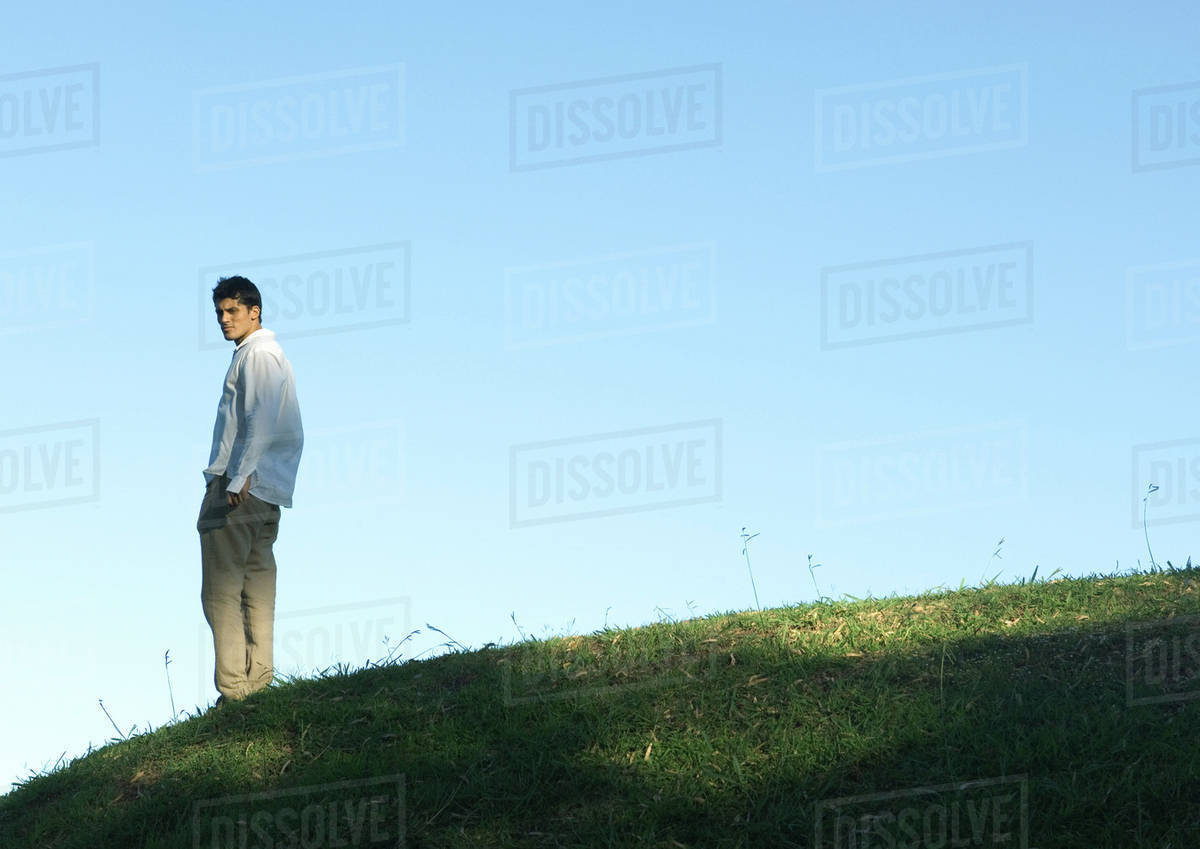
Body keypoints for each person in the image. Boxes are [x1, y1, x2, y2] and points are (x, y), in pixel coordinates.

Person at [198, 275, 303, 704]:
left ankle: (235, 692)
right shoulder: (273, 355)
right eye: (220, 312)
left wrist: (236, 479)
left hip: (239, 487)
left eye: (232, 311)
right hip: (269, 490)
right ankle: (259, 685)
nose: (224, 320)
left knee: (220, 591)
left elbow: (258, 420)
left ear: (254, 312)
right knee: (257, 587)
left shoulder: (256, 355)